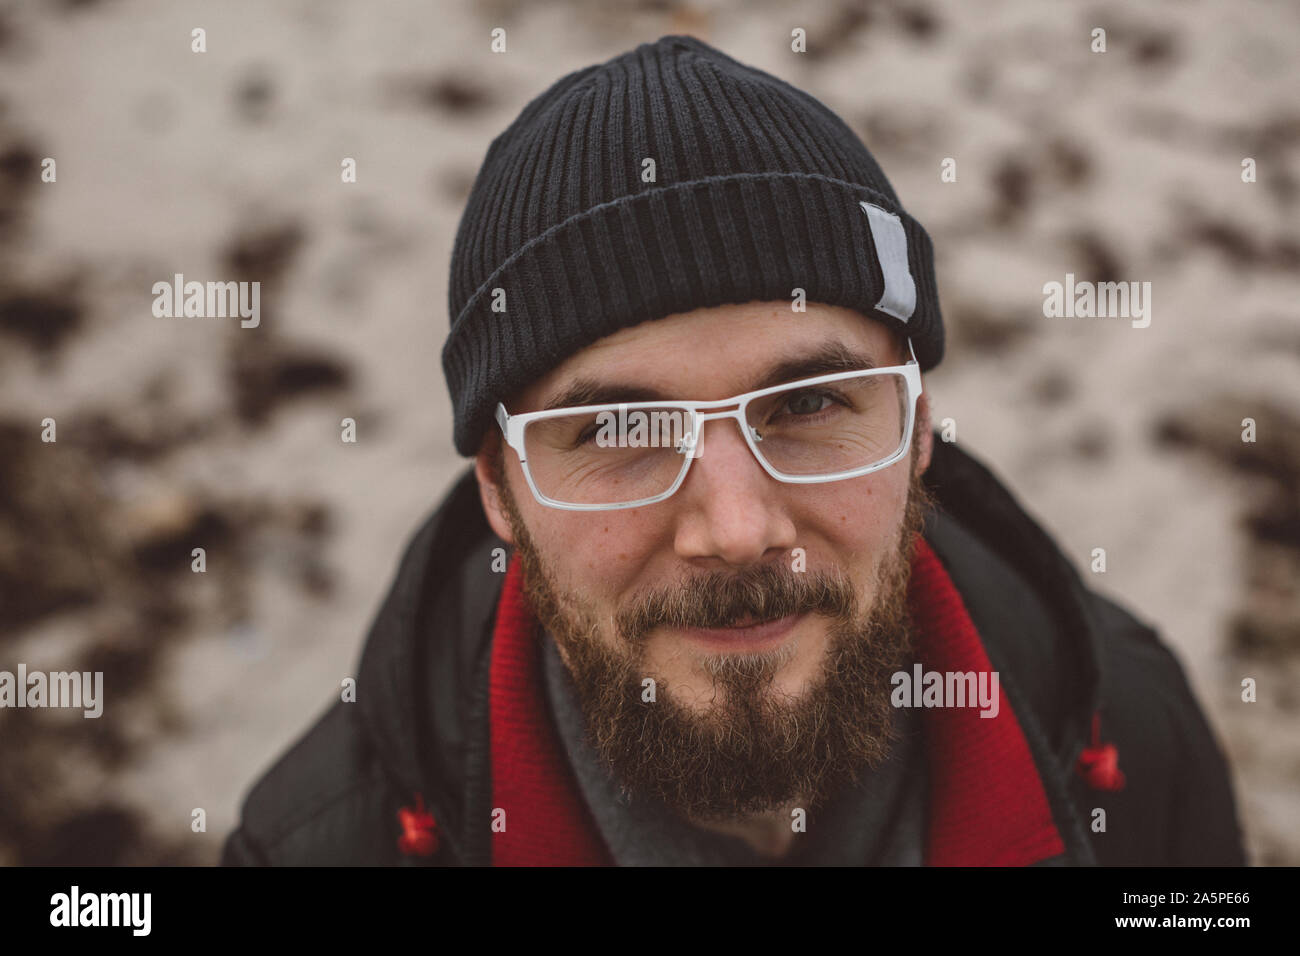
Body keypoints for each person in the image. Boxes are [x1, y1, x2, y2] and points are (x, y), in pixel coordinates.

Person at [222, 34, 1245, 866]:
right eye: (621, 430)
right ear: (499, 486)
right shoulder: (321, 843)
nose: (739, 527)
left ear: (918, 427)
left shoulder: (1129, 732)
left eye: (804, 406)